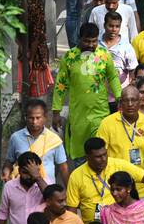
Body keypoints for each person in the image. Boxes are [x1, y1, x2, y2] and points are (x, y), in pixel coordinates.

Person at [64, 136, 144, 224]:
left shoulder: (118, 165)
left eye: (105, 154)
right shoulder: (76, 176)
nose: (103, 159)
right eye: (98, 157)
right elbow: (72, 209)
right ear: (87, 157)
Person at [51, 23, 122, 159]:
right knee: (81, 153)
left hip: (100, 112)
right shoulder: (69, 57)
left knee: (100, 150)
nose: (90, 44)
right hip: (78, 115)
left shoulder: (104, 54)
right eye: (87, 41)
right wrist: (56, 112)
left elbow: (112, 77)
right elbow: (61, 85)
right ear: (80, 38)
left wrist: (119, 97)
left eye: (94, 41)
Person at [3, 98, 69, 187]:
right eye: (31, 118)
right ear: (26, 117)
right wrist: (6, 171)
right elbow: (9, 161)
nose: (34, 122)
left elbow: (63, 168)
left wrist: (69, 192)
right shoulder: (16, 138)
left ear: (45, 117)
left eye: (38, 118)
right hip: (22, 189)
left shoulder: (54, 139)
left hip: (47, 191)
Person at [0, 152, 48, 224]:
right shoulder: (9, 187)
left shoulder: (44, 184)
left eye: (33, 173)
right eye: (26, 172)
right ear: (19, 171)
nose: (30, 176)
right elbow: (3, 213)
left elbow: (51, 197)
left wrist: (37, 177)